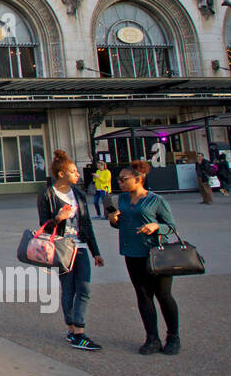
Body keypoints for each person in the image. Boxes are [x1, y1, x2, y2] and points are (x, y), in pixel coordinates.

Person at [109, 160, 181, 355]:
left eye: (124, 179)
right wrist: (114, 221)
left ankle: (173, 336)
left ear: (138, 179)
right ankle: (152, 338)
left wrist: (156, 226)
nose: (120, 182)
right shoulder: (122, 200)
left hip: (156, 254)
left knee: (163, 295)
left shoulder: (156, 200)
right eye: (119, 179)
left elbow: (171, 226)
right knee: (143, 296)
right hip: (132, 253)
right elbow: (123, 224)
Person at [37, 150, 105, 351]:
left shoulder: (79, 195)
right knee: (69, 289)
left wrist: (96, 251)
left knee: (84, 289)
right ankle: (72, 329)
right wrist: (58, 219)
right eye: (73, 171)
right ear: (61, 174)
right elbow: (43, 225)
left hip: (81, 246)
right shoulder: (48, 195)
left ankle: (79, 331)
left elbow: (87, 224)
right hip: (61, 248)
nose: (78, 174)